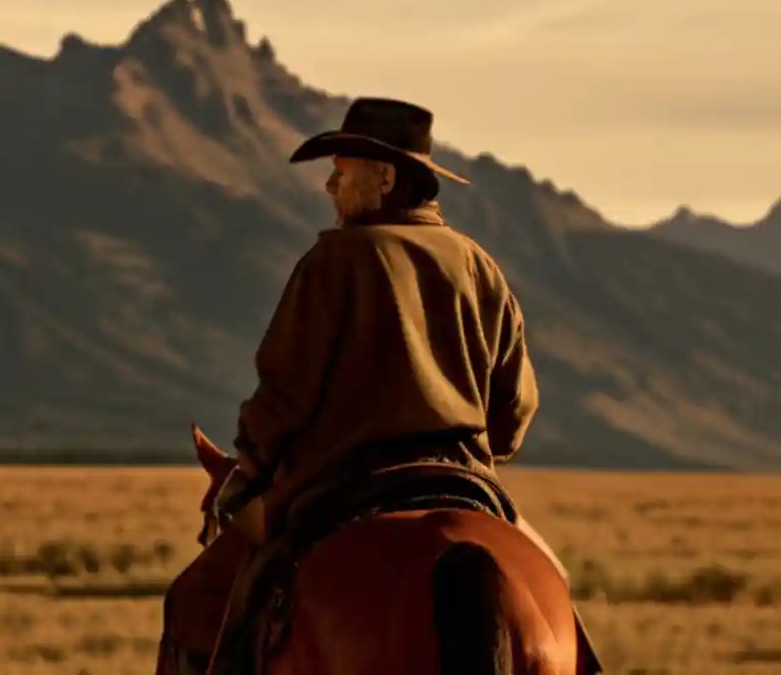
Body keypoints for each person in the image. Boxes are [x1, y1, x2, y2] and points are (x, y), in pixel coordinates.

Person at [198, 97, 599, 672]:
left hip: (342, 484)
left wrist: (247, 475)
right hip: (465, 479)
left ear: (385, 178)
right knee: (553, 590)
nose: (330, 187)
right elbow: (514, 409)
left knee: (249, 600)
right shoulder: (480, 266)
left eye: (342, 171)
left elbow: (283, 395)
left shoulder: (333, 260)